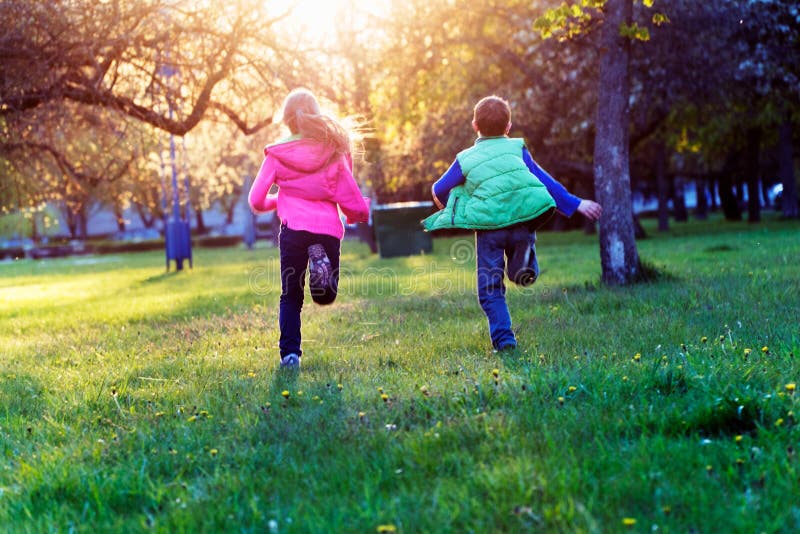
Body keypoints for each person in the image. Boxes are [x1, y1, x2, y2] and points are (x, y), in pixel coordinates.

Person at [423, 95, 602, 352]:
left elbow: (439, 188)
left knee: (490, 289)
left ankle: (505, 341)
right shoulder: (517, 148)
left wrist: (459, 203)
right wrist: (576, 204)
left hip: (489, 231)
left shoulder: (465, 158)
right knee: (521, 271)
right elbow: (544, 180)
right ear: (508, 126)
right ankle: (524, 262)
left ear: (475, 125)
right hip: (522, 224)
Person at [248, 88, 370, 369]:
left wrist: (281, 199)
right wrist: (359, 212)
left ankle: (290, 355)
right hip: (326, 230)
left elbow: (256, 199)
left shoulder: (277, 153)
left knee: (290, 295)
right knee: (325, 295)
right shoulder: (334, 150)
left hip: (292, 230)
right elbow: (348, 193)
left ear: (287, 120)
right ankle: (321, 263)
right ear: (315, 115)